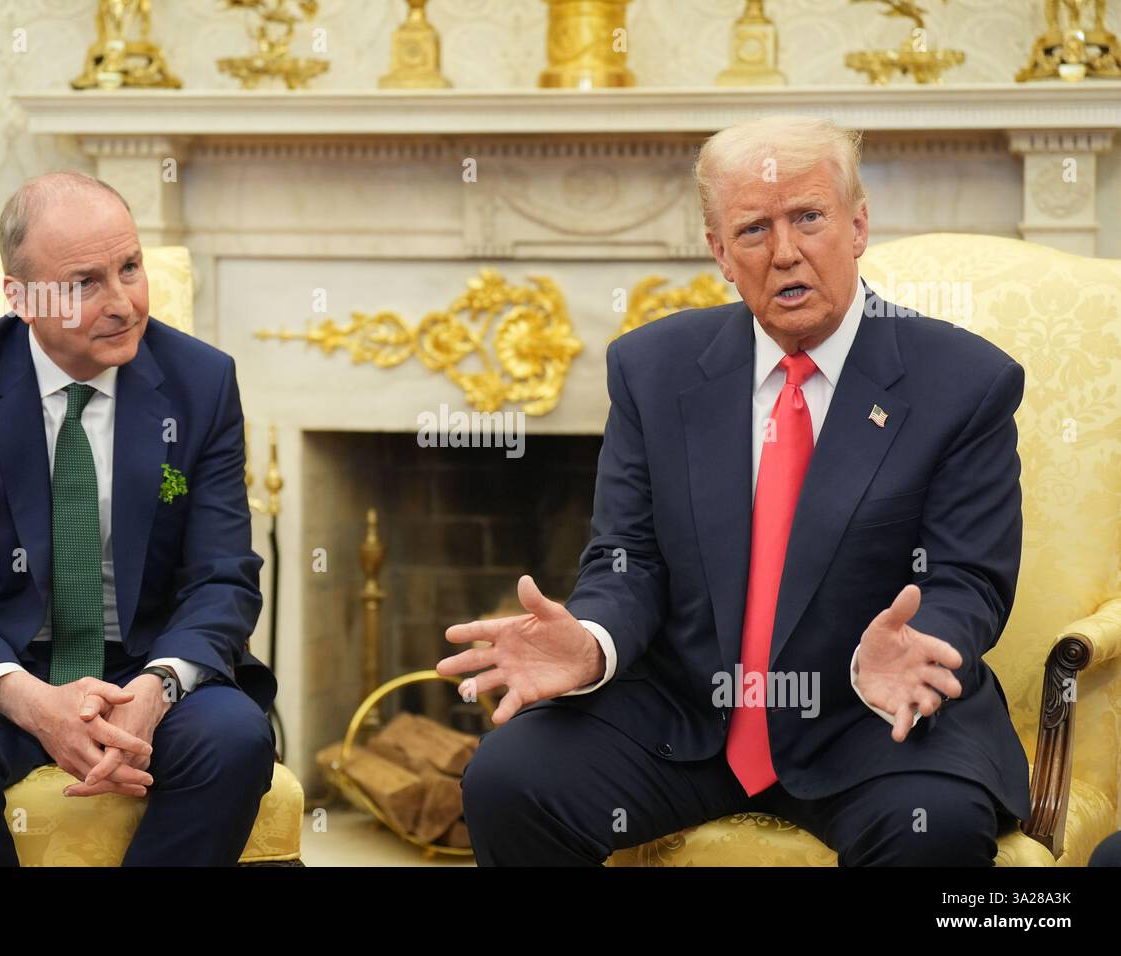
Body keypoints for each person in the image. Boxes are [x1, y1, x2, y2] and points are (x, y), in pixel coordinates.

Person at [441, 115, 1030, 866]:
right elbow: (629, 559)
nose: (785, 251)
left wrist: (921, 645)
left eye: (809, 218)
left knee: (936, 823)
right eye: (753, 229)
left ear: (857, 226)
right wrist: (590, 645)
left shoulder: (963, 383)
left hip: (869, 718)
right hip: (690, 714)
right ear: (720, 251)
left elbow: (965, 578)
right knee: (508, 779)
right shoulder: (654, 371)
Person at [0, 171, 276, 865]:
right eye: (85, 283)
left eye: (131, 268)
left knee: (233, 738)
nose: (124, 303)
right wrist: (31, 701)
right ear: (19, 297)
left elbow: (224, 580)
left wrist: (158, 687)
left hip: (142, 663)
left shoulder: (202, 382)